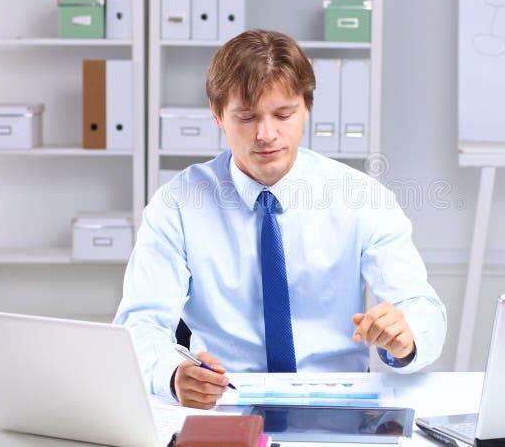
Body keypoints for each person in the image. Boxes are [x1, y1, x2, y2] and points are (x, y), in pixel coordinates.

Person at [114, 29, 446, 409]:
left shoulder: (362, 198)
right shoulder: (177, 205)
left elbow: (420, 305)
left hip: (337, 403)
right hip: (226, 403)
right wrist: (173, 375)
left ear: (306, 108)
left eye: (284, 114)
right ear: (218, 115)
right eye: (246, 116)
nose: (266, 134)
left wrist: (407, 337)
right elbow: (139, 325)